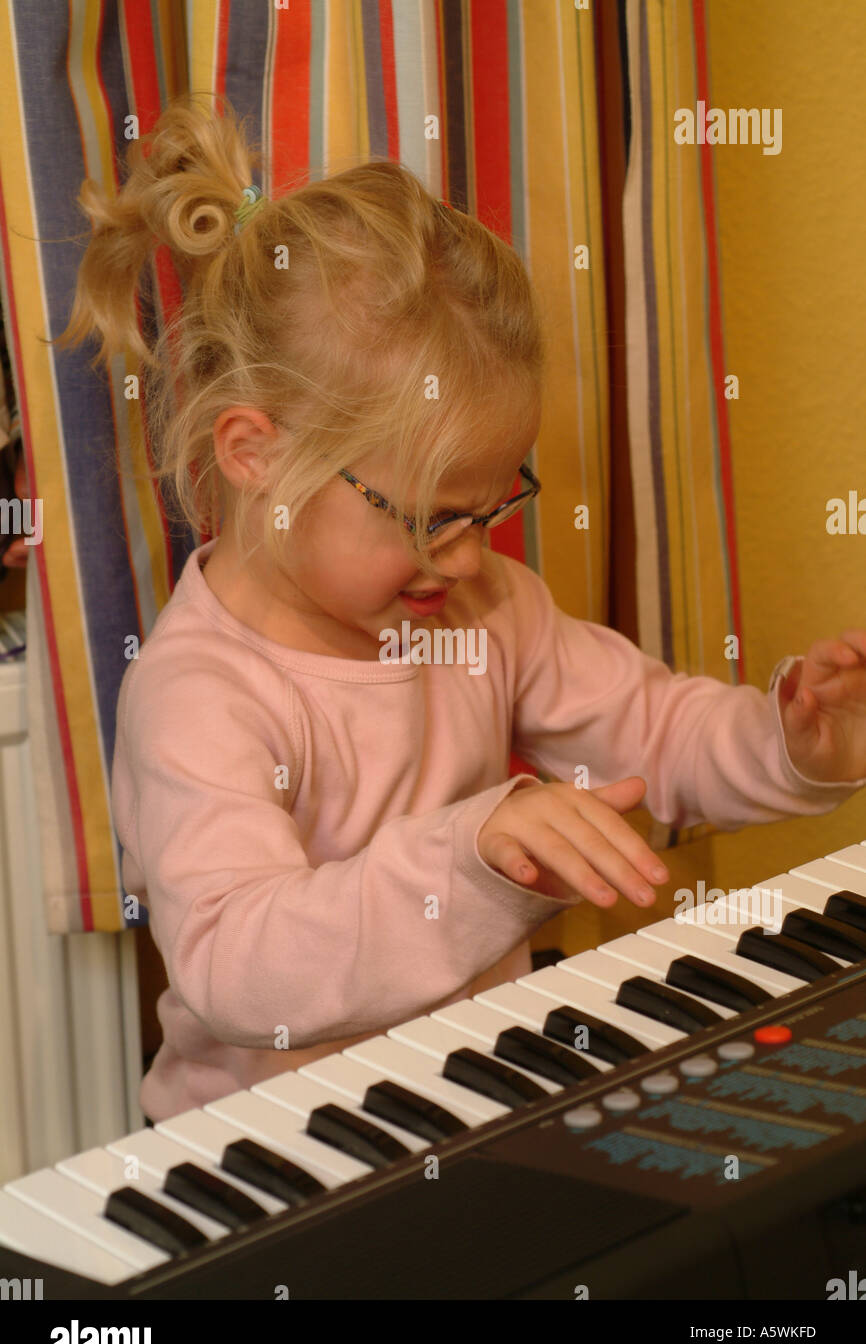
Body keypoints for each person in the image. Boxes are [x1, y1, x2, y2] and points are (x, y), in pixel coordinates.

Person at [58, 95, 866, 1125]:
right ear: (256, 455)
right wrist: (469, 853)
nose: (470, 554)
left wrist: (789, 742)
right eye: (431, 516)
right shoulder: (198, 694)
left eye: (492, 506)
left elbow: (655, 735)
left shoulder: (476, 609)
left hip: (478, 1106)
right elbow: (237, 968)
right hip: (268, 1162)